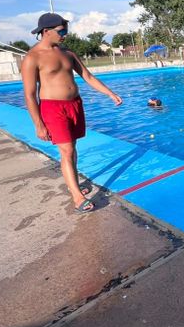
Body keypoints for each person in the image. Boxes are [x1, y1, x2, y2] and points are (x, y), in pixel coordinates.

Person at [20, 13, 122, 213]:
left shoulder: (68, 53)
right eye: (61, 31)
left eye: (66, 30)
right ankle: (77, 196)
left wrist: (110, 93)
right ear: (46, 31)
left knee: (72, 148)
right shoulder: (32, 58)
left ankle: (72, 183)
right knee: (66, 150)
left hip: (74, 105)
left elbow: (88, 76)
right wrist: (38, 124)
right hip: (52, 108)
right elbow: (30, 95)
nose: (65, 34)